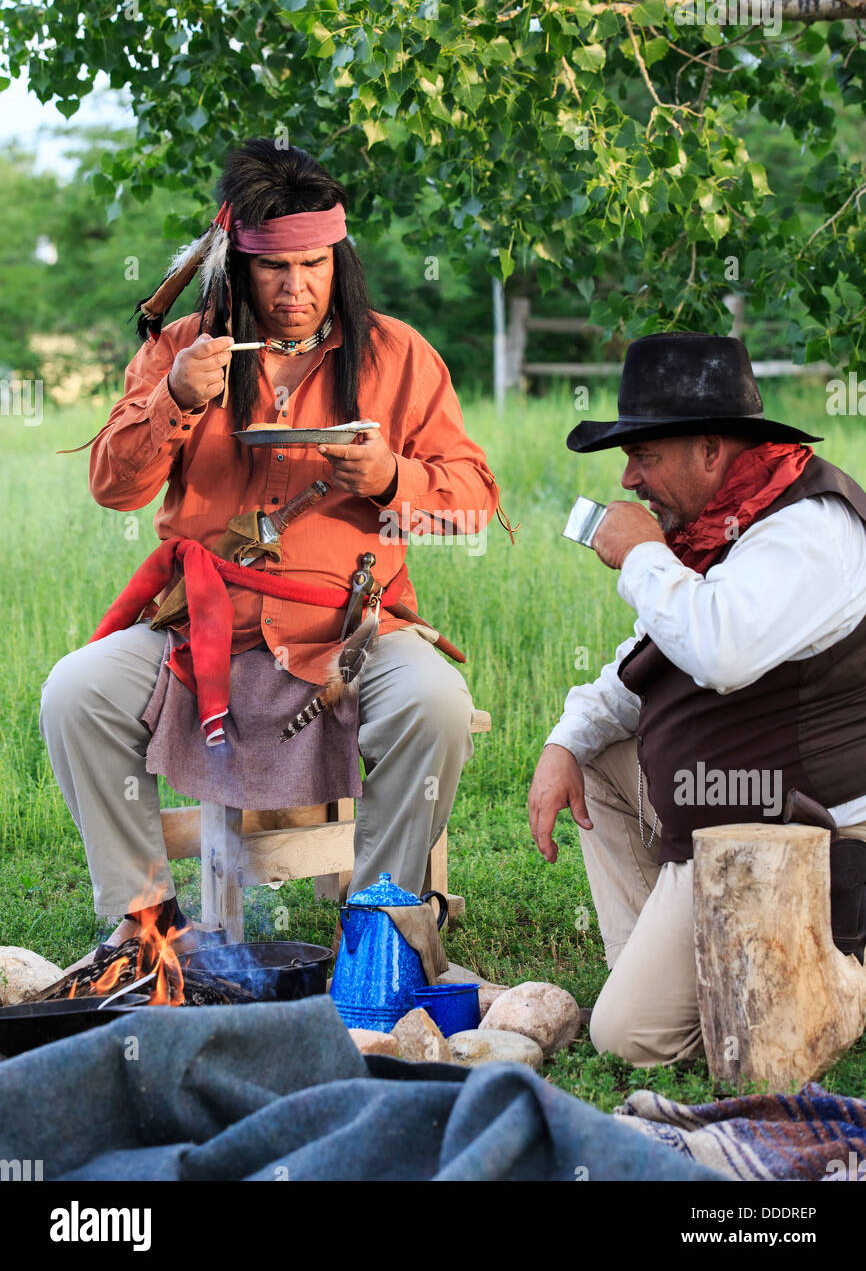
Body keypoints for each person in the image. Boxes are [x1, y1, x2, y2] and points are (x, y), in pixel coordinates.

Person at [40, 138, 504, 954]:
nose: (296, 289)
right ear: (237, 267)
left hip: (350, 636)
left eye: (315, 265)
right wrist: (176, 399)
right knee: (76, 691)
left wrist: (391, 479)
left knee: (435, 702)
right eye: (274, 269)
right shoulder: (182, 346)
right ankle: (148, 925)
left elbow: (471, 504)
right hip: (202, 631)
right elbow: (114, 485)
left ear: (340, 262)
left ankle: (383, 924)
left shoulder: (398, 354)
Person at [528, 331, 866, 1066]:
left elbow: (718, 651)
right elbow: (645, 660)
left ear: (711, 452)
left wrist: (643, 554)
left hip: (795, 836)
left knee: (626, 1039)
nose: (628, 479)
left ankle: (842, 981)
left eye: (645, 456)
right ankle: (665, 971)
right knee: (589, 762)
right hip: (725, 814)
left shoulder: (807, 532)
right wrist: (564, 741)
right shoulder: (724, 527)